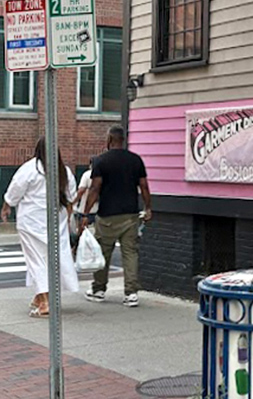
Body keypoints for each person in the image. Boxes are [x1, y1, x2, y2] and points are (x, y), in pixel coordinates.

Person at [1, 138, 79, 317]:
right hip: (55, 221)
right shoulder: (64, 171)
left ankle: (45, 302)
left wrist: (6, 207)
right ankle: (40, 296)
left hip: (31, 221)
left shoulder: (30, 169)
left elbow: (14, 191)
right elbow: (71, 197)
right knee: (53, 259)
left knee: (36, 261)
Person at [79, 125, 151, 308]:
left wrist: (85, 213)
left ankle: (99, 289)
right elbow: (143, 186)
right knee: (130, 253)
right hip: (130, 214)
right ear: (123, 140)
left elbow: (94, 188)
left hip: (108, 215)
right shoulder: (136, 160)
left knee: (104, 252)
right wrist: (148, 207)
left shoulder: (101, 161)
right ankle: (131, 294)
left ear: (109, 139)